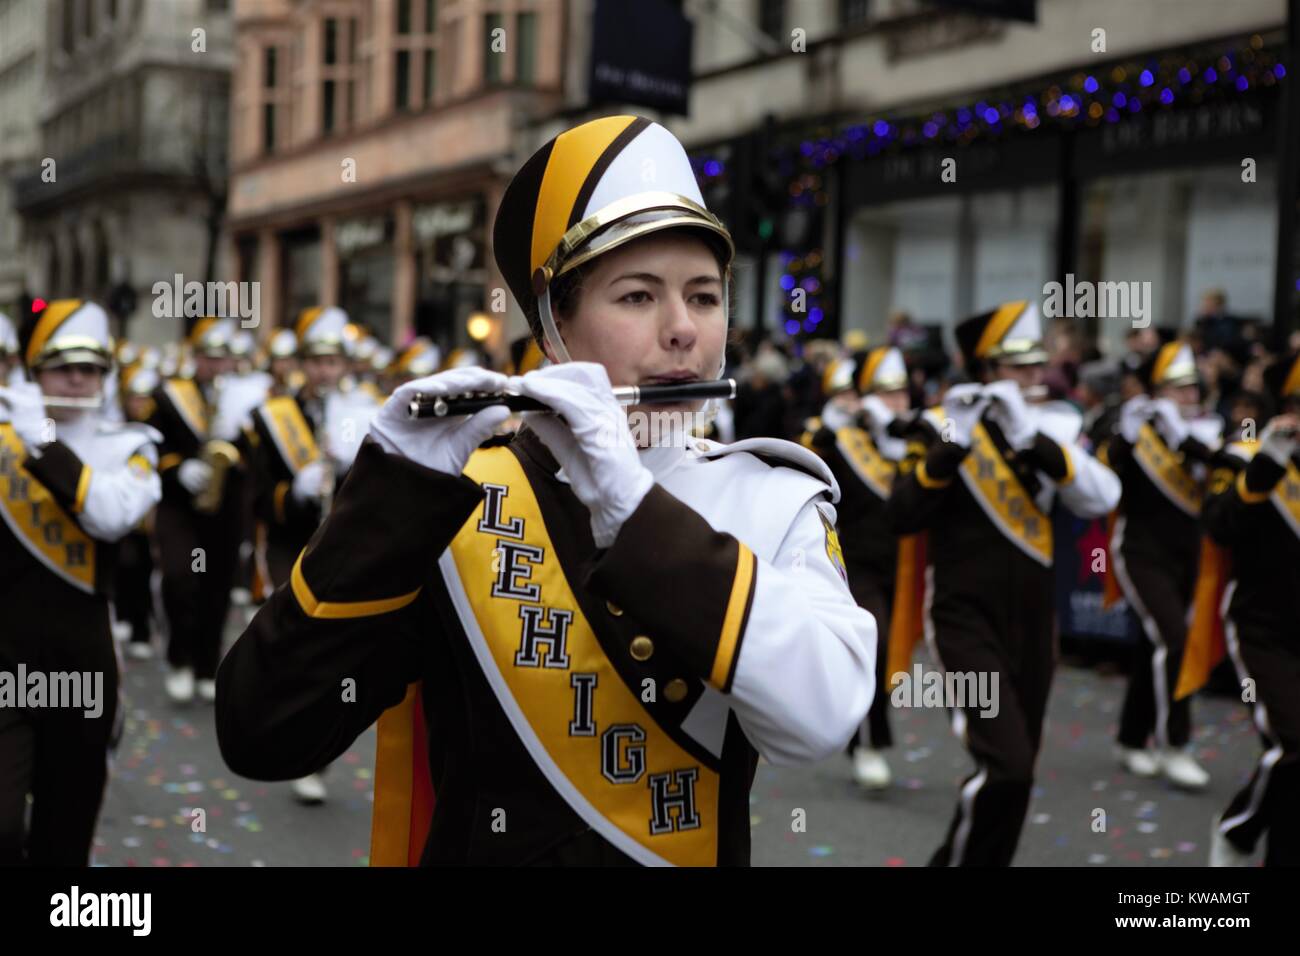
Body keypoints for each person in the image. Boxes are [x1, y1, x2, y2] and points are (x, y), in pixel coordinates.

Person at [216, 114, 876, 866]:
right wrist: (386, 498)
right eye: (636, 296)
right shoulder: (463, 498)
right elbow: (264, 732)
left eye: (703, 295)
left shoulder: (774, 496)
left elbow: (821, 715)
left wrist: (635, 509)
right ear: (554, 326)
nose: (682, 330)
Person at [886, 300, 1120, 866]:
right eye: (1016, 366)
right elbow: (903, 512)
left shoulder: (1055, 425)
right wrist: (953, 442)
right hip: (964, 616)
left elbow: (1102, 496)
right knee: (1006, 765)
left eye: (1036, 365)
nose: (1032, 377)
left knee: (1018, 773)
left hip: (1035, 621)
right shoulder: (941, 421)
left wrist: (1029, 436)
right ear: (986, 368)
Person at [0, 300, 161, 864]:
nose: (76, 378)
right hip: (6, 659)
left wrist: (40, 442)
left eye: (91, 367)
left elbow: (111, 515)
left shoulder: (132, 446)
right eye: (61, 366)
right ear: (33, 371)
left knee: (64, 833)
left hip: (84, 662)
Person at [247, 305, 379, 804]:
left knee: (331, 651)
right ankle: (279, 720)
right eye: (317, 361)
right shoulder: (273, 417)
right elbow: (259, 496)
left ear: (346, 366)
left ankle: (314, 758)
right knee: (295, 639)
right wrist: (296, 491)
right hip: (289, 541)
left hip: (340, 546)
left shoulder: (366, 409)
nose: (326, 371)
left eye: (335, 362)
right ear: (303, 363)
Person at [1106, 341, 1221, 787]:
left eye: (1192, 387)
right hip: (1140, 552)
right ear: (1157, 392)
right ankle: (1175, 744)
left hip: (1190, 556)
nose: (1188, 396)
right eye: (1177, 388)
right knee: (1175, 639)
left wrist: (1189, 442)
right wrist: (1127, 437)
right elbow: (1105, 477)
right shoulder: (1138, 430)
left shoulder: (1211, 431)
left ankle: (1131, 738)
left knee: (1152, 645)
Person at [1203, 352, 1300, 866]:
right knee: (1295, 745)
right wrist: (1267, 465)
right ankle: (1239, 830)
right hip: (1262, 628)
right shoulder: (1244, 455)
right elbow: (1219, 524)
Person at [803, 347, 910, 790]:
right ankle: (867, 743)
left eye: (902, 391)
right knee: (876, 644)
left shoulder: (913, 438)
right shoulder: (838, 440)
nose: (897, 401)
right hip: (857, 563)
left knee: (900, 660)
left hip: (906, 567)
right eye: (886, 393)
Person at [147, 318, 245, 704]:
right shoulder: (169, 394)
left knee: (216, 585)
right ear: (195, 356)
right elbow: (151, 443)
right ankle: (179, 659)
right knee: (180, 577)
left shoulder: (246, 399)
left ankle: (207, 665)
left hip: (225, 510)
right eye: (209, 357)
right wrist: (177, 467)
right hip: (180, 507)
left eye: (223, 359)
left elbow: (260, 459)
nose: (216, 366)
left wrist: (239, 438)